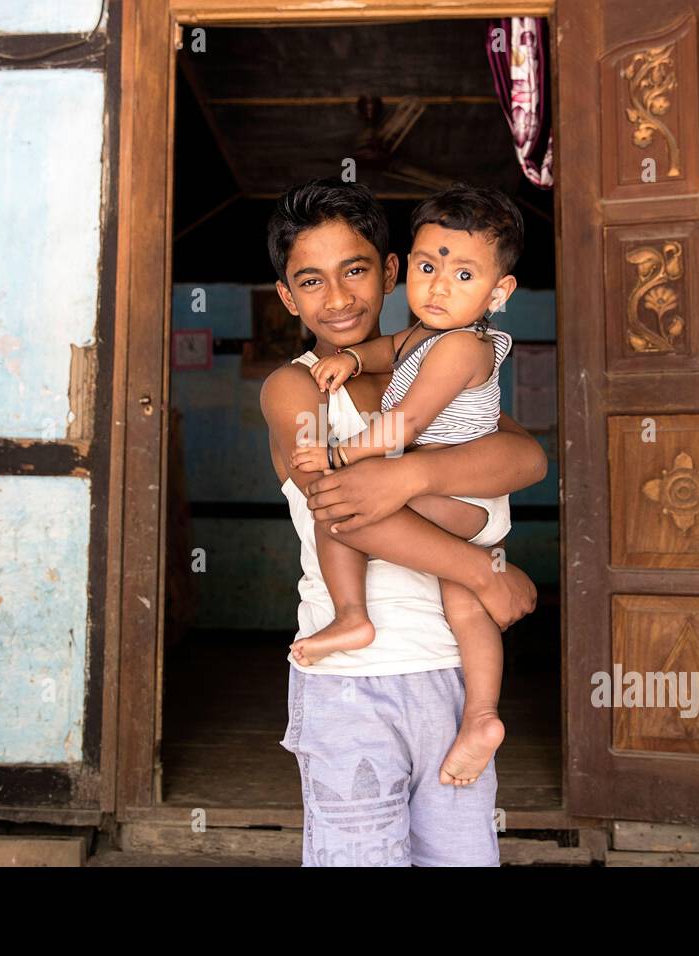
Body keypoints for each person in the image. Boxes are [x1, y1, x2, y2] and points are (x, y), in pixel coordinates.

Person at [259, 178, 546, 866]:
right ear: (287, 298)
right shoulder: (295, 388)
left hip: (450, 671)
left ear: (390, 272)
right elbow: (339, 507)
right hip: (352, 683)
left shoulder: (436, 368)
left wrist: (410, 473)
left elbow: (526, 456)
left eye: (355, 270)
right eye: (311, 281)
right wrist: (483, 569)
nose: (337, 297)